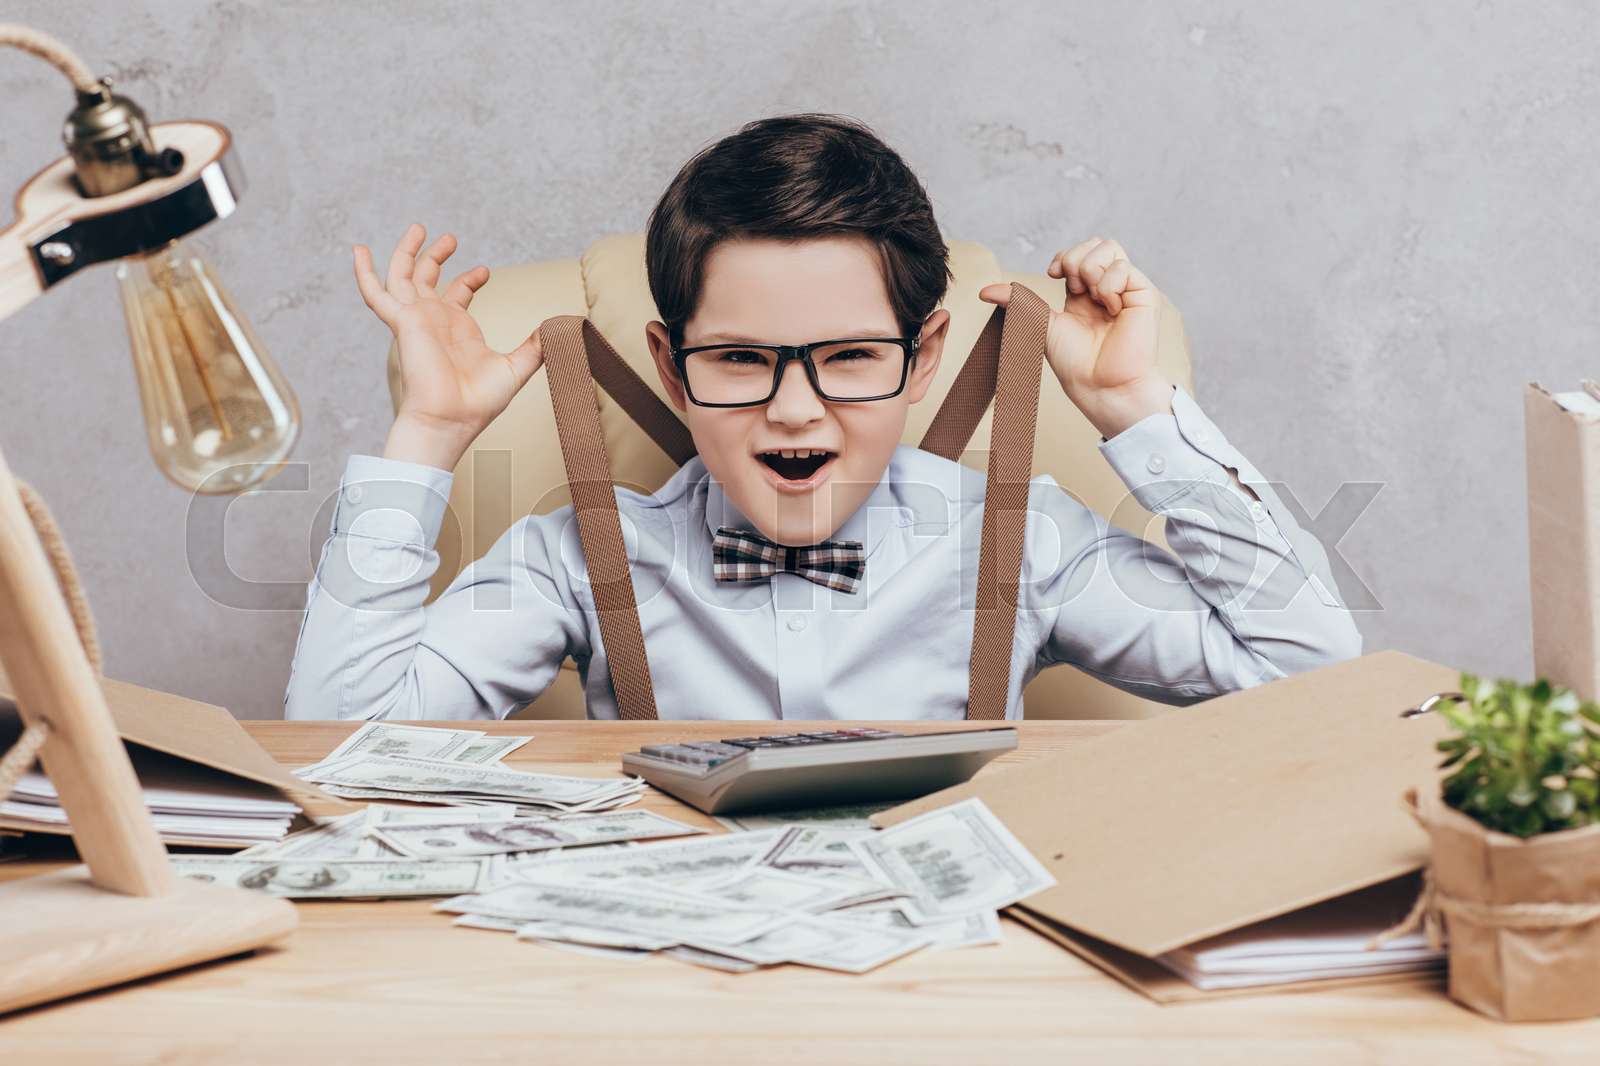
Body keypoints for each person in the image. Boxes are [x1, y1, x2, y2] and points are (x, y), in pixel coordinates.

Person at [284, 113, 1361, 723]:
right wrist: (424, 434)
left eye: (849, 358)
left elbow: (1313, 682)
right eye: (741, 359)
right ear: (669, 365)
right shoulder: (581, 553)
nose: (793, 412)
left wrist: (1136, 409)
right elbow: (338, 747)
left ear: (922, 357)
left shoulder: (1023, 540)